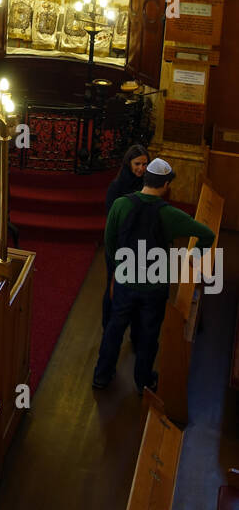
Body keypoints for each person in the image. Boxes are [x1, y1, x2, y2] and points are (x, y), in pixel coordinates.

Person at [92, 157, 215, 396]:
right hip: (154, 286)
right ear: (166, 184)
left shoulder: (120, 204)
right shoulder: (170, 214)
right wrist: (193, 256)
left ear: (145, 178)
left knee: (114, 330)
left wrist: (119, 270)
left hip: (125, 280)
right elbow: (206, 235)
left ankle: (101, 376)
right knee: (149, 336)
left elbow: (109, 242)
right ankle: (144, 383)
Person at [102, 143, 148, 332]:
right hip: (118, 246)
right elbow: (111, 220)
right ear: (128, 163)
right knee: (113, 286)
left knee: (138, 289)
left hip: (140, 246)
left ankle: (135, 331)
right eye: (137, 164)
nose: (141, 168)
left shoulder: (147, 184)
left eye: (145, 164)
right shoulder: (117, 186)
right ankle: (108, 327)